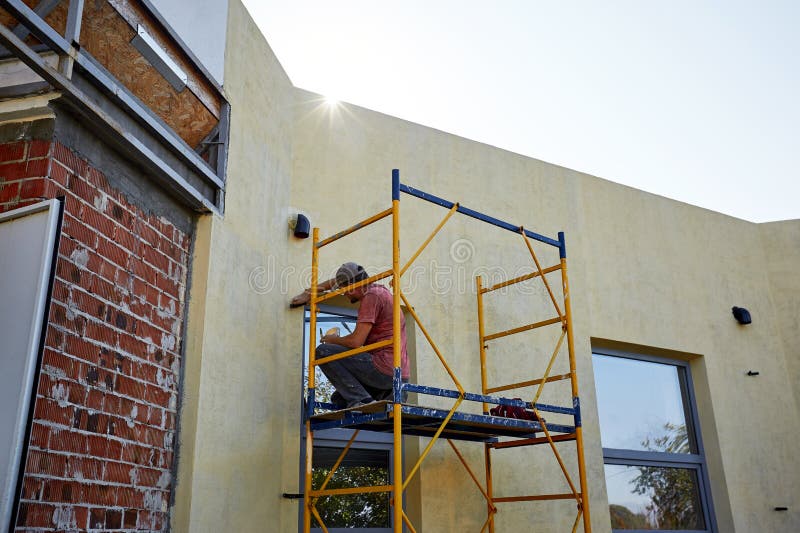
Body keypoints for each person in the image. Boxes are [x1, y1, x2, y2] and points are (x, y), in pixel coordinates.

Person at [291, 262, 410, 409]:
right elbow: (336, 281)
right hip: (397, 376)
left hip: (384, 371)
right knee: (339, 399)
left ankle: (363, 401)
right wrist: (309, 293)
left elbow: (355, 342)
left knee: (323, 352)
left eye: (344, 290)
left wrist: (333, 340)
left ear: (352, 286)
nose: (344, 294)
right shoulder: (378, 291)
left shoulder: (371, 296)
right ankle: (369, 399)